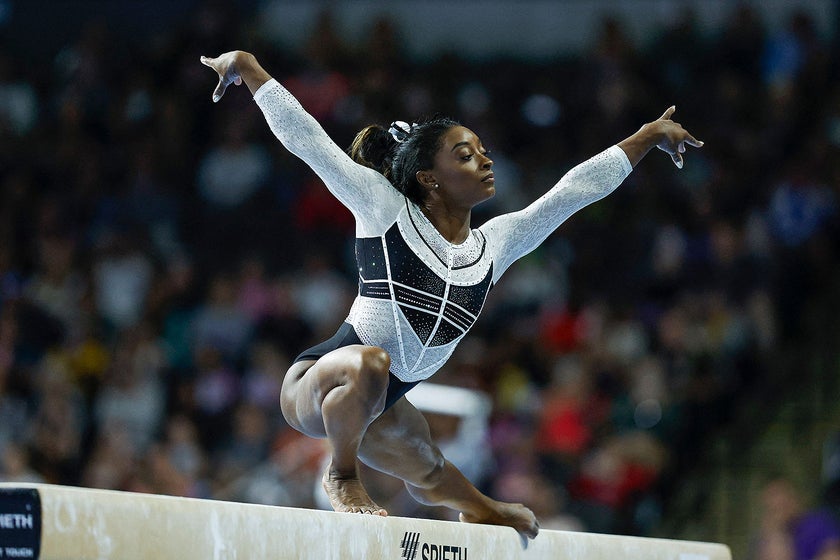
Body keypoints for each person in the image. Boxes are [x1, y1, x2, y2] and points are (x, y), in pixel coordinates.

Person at [200, 50, 702, 539]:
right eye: (465, 154)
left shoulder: (494, 245)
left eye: (482, 151)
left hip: (379, 403)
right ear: (429, 178)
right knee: (371, 364)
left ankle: (482, 509)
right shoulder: (384, 209)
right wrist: (247, 66)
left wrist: (647, 135)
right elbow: (307, 139)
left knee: (431, 470)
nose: (484, 160)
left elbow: (574, 191)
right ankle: (342, 476)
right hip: (318, 383)